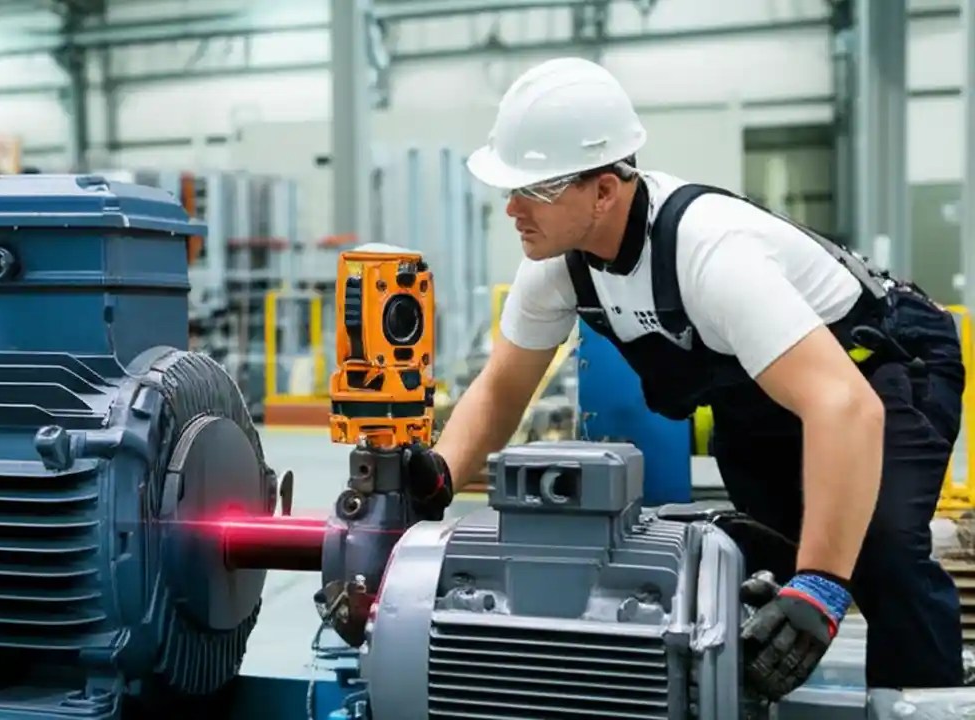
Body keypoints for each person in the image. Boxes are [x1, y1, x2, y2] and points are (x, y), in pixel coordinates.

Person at [402, 57, 966, 700]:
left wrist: (822, 586)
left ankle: (928, 701)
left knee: (879, 553)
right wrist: (438, 477)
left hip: (884, 366)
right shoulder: (560, 268)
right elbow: (504, 387)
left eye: (533, 190)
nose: (511, 209)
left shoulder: (710, 253)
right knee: (768, 551)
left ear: (604, 190)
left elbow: (847, 408)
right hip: (764, 403)